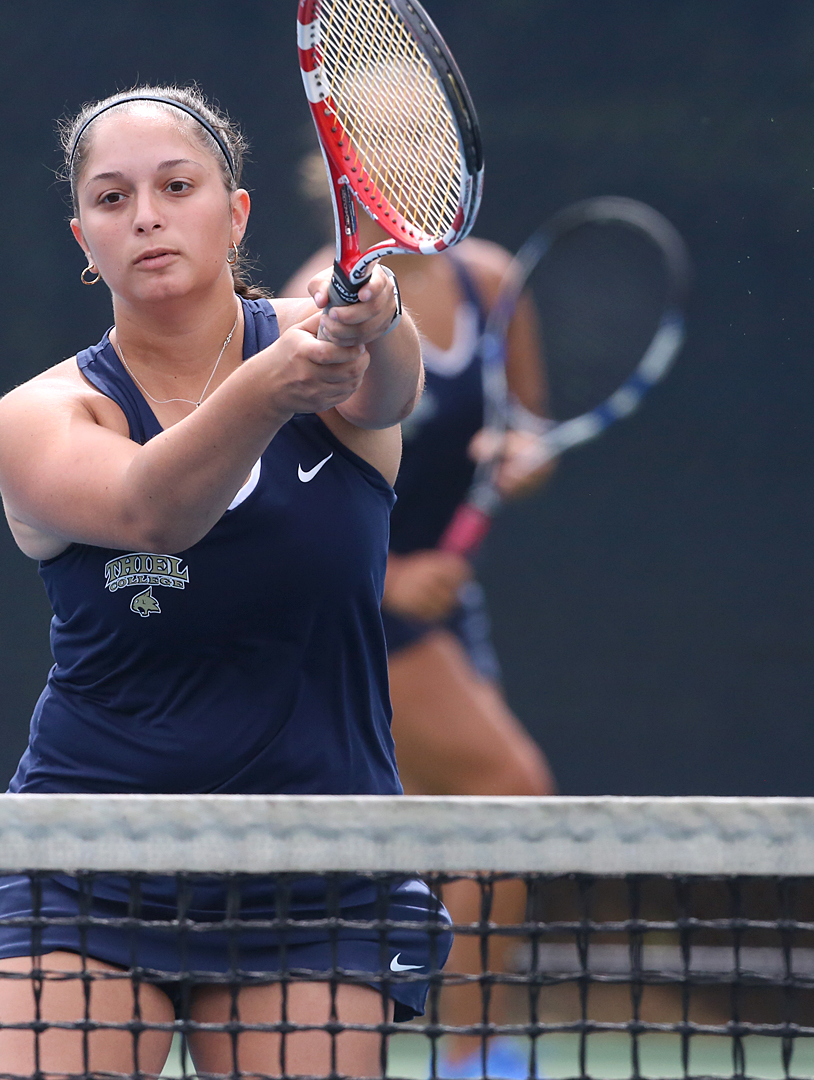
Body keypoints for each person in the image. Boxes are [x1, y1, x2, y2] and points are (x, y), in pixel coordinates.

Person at [0, 85, 433, 1080]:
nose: (144, 213)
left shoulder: (332, 363)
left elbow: (392, 386)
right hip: (89, 863)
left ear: (237, 212)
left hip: (317, 868)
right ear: (81, 237)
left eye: (177, 185)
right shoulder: (42, 415)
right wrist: (265, 390)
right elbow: (153, 513)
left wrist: (382, 316)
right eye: (110, 197)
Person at [291, 164, 558, 1079]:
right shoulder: (318, 298)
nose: (396, 181)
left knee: (461, 821)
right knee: (508, 793)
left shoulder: (492, 282)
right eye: (372, 159)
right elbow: (292, 491)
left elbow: (531, 425)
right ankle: (470, 1054)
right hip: (345, 606)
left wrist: (523, 453)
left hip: (445, 611)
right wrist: (392, 576)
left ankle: (454, 1044)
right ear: (344, 175)